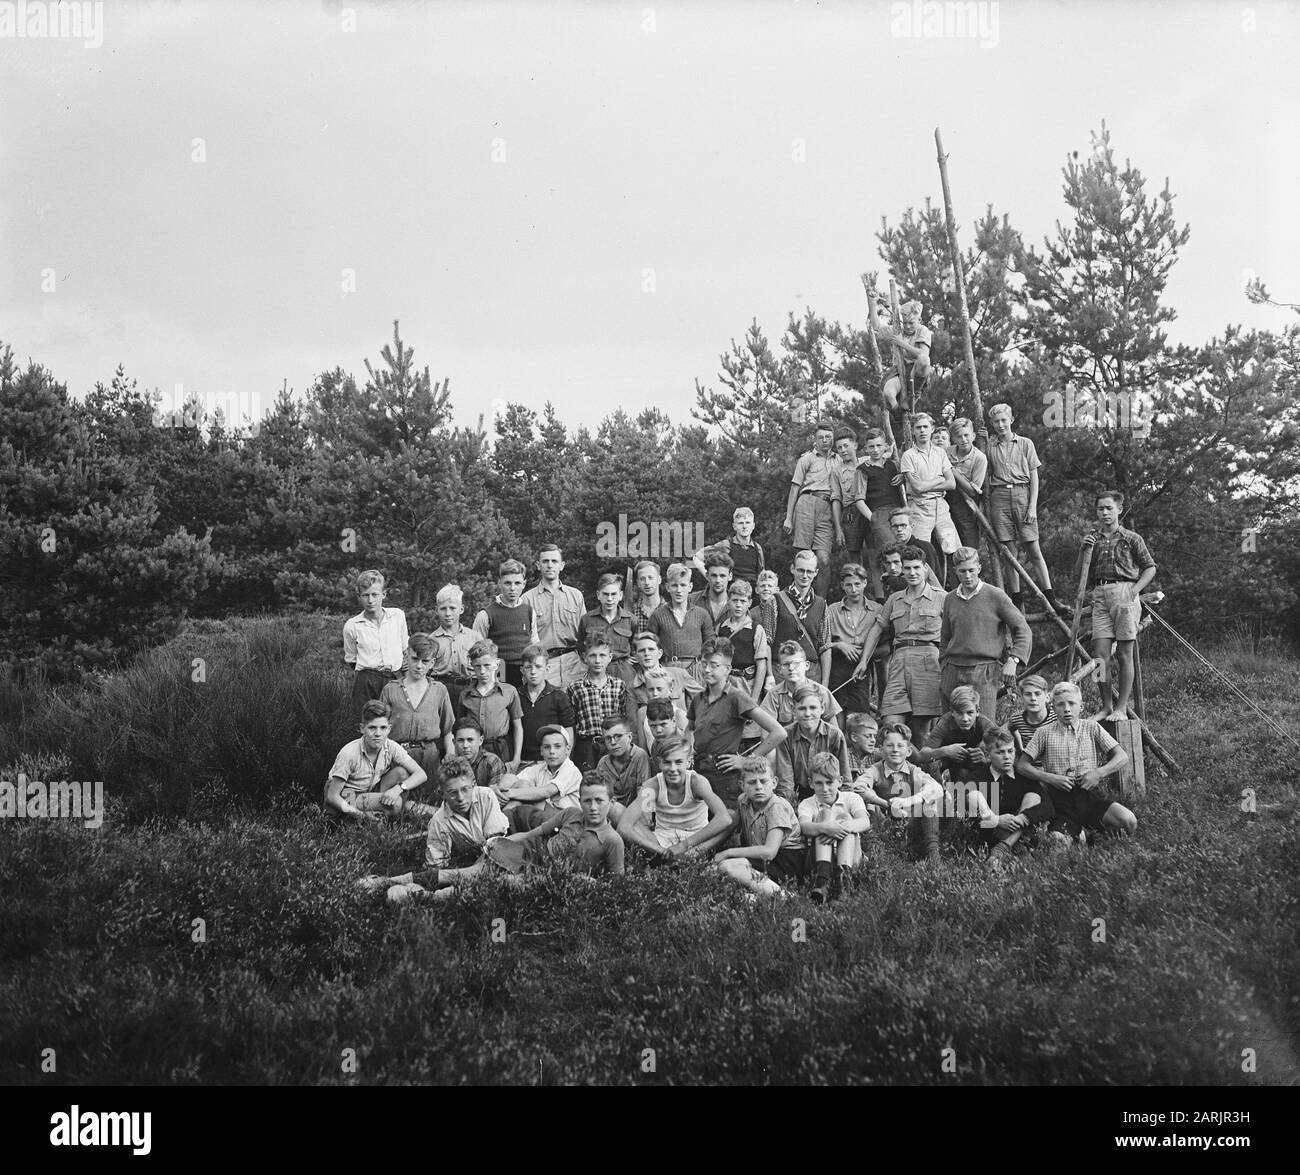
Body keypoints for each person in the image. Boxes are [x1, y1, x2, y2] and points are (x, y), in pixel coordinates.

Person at [361, 772, 624, 904]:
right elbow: (532, 834)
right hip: (529, 857)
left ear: (610, 802)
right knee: (466, 872)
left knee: (497, 884)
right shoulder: (571, 814)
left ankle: (421, 897)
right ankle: (386, 881)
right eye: (587, 799)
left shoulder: (612, 840)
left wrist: (588, 882)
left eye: (599, 801)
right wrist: (498, 845)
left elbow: (617, 884)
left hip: (549, 879)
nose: (592, 806)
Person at [1017, 682, 1138, 843]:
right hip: (1060, 800)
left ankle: (1092, 835)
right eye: (1060, 704)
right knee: (1056, 842)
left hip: (1090, 796)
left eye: (1072, 703)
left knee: (1128, 821)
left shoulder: (1091, 727)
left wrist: (1098, 773)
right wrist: (1051, 778)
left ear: (1081, 706)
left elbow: (1121, 756)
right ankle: (1078, 835)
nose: (1066, 709)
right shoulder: (1043, 733)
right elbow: (1022, 765)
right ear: (1053, 707)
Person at [854, 545, 948, 743]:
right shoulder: (895, 599)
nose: (912, 573)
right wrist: (864, 661)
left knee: (920, 732)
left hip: (928, 663)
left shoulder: (942, 598)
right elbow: (877, 628)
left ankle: (922, 772)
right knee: (890, 726)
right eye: (907, 568)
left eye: (916, 567)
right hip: (898, 662)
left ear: (925, 568)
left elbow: (955, 632)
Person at [982, 403, 1065, 613]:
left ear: (1011, 420)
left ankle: (1050, 597)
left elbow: (1034, 477)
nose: (1000, 425)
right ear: (992, 424)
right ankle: (1017, 601)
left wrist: (1032, 507)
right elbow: (982, 469)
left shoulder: (1025, 443)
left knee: (1033, 549)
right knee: (1009, 552)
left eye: (1003, 420)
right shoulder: (990, 446)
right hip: (999, 496)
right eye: (996, 422)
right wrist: (980, 440)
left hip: (1022, 494)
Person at [687, 637, 787, 806]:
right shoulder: (698, 699)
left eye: (714, 665)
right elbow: (689, 729)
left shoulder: (736, 697)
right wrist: (688, 751)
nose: (707, 670)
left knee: (727, 821)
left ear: (727, 669)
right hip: (698, 772)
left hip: (725, 776)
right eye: (704, 664)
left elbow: (779, 732)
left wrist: (747, 760)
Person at [1084, 491, 1157, 719]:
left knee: (1125, 654)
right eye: (1100, 509)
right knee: (1099, 656)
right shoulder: (1093, 539)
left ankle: (1121, 707)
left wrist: (1134, 591)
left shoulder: (1131, 538)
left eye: (1109, 508)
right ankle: (1105, 705)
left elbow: (1150, 567)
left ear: (1119, 510)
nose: (1104, 513)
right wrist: (1083, 549)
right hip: (1100, 593)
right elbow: (1081, 571)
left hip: (1125, 591)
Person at [938, 547, 1031, 720]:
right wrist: (943, 666)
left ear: (979, 568)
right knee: (950, 727)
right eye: (962, 571)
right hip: (952, 671)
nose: (967, 576)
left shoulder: (995, 595)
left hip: (984, 672)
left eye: (971, 570)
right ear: (955, 571)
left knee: (984, 728)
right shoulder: (950, 598)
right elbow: (945, 637)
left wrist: (1013, 659)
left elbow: (1022, 629)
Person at [617, 734, 734, 860]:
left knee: (732, 815)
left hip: (696, 839)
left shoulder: (697, 782)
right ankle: (665, 858)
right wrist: (660, 850)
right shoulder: (652, 785)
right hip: (661, 840)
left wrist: (684, 845)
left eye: (678, 762)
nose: (673, 769)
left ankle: (696, 854)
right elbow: (624, 827)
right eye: (667, 762)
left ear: (688, 762)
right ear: (660, 763)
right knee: (616, 810)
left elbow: (725, 818)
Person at [712, 757, 806, 899]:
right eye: (751, 782)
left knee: (728, 866)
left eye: (763, 781)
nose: (758, 787)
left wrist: (728, 852)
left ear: (774, 783)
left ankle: (785, 896)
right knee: (719, 868)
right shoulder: (743, 801)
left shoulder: (776, 807)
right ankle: (758, 895)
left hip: (785, 861)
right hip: (761, 859)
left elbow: (769, 852)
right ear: (742, 785)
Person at [851, 721, 944, 864]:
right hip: (884, 823)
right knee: (866, 805)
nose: (895, 750)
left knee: (929, 801)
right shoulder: (876, 770)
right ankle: (876, 850)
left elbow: (936, 789)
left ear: (908, 751)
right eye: (889, 746)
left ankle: (933, 854)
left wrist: (907, 802)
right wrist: (886, 804)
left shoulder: (913, 770)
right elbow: (858, 787)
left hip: (910, 823)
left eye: (900, 746)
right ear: (881, 750)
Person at [324, 699, 431, 821]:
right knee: (395, 803)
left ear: (389, 729)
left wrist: (398, 789)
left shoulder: (390, 746)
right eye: (372, 728)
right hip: (346, 795)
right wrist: (361, 816)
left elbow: (421, 774)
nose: (378, 734)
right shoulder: (349, 753)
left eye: (383, 728)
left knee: (402, 773)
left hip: (368, 790)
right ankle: (369, 819)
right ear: (362, 728)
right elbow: (332, 796)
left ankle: (387, 819)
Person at [967, 725, 1054, 871]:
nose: (1007, 757)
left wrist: (1022, 818)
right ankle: (1016, 850)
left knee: (1033, 797)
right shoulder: (978, 777)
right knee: (973, 795)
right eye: (1000, 752)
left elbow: (1049, 808)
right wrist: (998, 820)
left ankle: (1005, 847)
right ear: (988, 755)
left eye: (1010, 751)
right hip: (993, 830)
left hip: (1022, 827)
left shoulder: (1024, 777)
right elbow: (966, 806)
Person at [379, 633, 456, 792]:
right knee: (397, 803)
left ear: (432, 663)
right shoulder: (390, 690)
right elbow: (380, 728)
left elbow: (448, 730)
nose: (419, 665)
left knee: (429, 805)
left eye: (425, 661)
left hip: (429, 757)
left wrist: (450, 753)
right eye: (415, 659)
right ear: (406, 657)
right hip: (398, 756)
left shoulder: (439, 690)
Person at [797, 753, 870, 903]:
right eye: (819, 783)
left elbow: (864, 822)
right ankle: (822, 879)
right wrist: (826, 828)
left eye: (829, 782)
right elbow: (804, 827)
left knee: (845, 818)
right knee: (823, 815)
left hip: (851, 856)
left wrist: (840, 828)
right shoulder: (807, 803)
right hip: (817, 859)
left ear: (840, 781)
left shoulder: (851, 798)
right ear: (811, 783)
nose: (824, 789)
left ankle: (842, 881)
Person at [899, 412, 959, 580]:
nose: (922, 431)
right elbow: (917, 488)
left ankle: (951, 593)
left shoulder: (940, 453)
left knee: (952, 549)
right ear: (913, 431)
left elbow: (951, 483)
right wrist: (938, 480)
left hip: (940, 506)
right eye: (918, 428)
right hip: (919, 507)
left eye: (926, 427)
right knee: (920, 552)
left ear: (932, 429)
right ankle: (926, 590)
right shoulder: (909, 455)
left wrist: (927, 484)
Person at [783, 420, 840, 595]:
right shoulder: (806, 458)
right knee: (804, 558)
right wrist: (788, 517)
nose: (825, 440)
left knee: (823, 559)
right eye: (821, 437)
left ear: (833, 439)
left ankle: (820, 604)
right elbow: (794, 488)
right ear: (815, 440)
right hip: (807, 503)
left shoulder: (838, 459)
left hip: (827, 507)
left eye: (828, 437)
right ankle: (800, 599)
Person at [773, 683, 852, 803]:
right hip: (799, 794)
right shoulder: (786, 736)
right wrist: (790, 807)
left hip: (829, 793)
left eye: (813, 708)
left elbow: (845, 779)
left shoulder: (835, 735)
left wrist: (845, 804)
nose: (807, 714)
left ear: (822, 709)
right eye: (802, 708)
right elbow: (786, 782)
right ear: (794, 710)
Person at [495, 724, 583, 832]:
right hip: (544, 818)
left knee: (522, 791)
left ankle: (498, 826)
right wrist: (496, 790)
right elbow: (511, 781)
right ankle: (499, 824)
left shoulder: (571, 770)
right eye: (547, 747)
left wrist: (508, 793)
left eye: (557, 746)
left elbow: (546, 792)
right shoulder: (539, 769)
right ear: (541, 750)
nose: (552, 751)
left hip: (566, 820)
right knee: (510, 778)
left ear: (567, 749)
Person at [342, 569, 409, 712]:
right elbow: (351, 659)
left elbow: (405, 648)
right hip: (366, 682)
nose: (370, 600)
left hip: (395, 678)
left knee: (396, 720)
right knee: (366, 722)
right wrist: (370, 674)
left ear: (383, 594)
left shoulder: (397, 616)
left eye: (374, 594)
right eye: (365, 595)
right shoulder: (352, 625)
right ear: (359, 596)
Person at [522, 544, 587, 689]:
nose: (550, 565)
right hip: (543, 664)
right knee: (545, 708)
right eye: (545, 561)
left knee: (573, 708)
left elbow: (584, 633)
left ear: (562, 565)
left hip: (574, 663)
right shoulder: (527, 599)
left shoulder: (575, 596)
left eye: (554, 561)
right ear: (538, 565)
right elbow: (524, 640)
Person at [825, 562, 883, 720]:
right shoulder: (832, 610)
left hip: (862, 668)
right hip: (836, 667)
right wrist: (840, 645)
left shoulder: (877, 610)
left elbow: (886, 647)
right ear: (842, 585)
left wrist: (865, 656)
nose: (854, 589)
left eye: (857, 584)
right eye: (849, 585)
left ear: (865, 583)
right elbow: (820, 644)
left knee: (857, 720)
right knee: (836, 719)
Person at [567, 634, 633, 772]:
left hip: (613, 743)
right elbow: (571, 724)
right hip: (586, 746)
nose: (597, 660)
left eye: (602, 655)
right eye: (592, 655)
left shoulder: (618, 685)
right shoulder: (575, 687)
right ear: (584, 657)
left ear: (610, 657)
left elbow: (623, 717)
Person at [472, 559, 538, 689]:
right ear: (499, 583)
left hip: (524, 673)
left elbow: (534, 646)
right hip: (498, 673)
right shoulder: (486, 615)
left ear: (524, 584)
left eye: (517, 583)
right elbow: (477, 652)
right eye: (508, 583)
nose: (513, 588)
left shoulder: (529, 612)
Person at [458, 640, 524, 770]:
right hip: (474, 751)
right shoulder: (465, 695)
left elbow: (518, 727)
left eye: (487, 665)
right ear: (472, 666)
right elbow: (460, 729)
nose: (482, 671)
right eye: (477, 666)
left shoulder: (509, 692)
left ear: (497, 664)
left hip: (501, 750)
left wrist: (516, 758)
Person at [858, 428, 905, 602]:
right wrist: (873, 519)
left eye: (879, 445)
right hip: (878, 514)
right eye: (871, 446)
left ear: (885, 446)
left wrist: (902, 477)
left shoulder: (892, 465)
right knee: (890, 550)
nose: (875, 450)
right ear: (866, 448)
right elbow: (859, 500)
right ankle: (888, 592)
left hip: (897, 513)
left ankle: (903, 588)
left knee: (904, 548)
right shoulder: (863, 469)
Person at [916, 685, 997, 783]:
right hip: (949, 761)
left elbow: (1006, 753)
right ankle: (938, 792)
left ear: (977, 711)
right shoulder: (945, 723)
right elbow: (921, 756)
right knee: (930, 765)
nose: (965, 719)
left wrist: (987, 760)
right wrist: (944, 751)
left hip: (974, 764)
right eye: (959, 713)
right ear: (952, 712)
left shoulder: (986, 724)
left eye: (970, 713)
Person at [771, 550, 830, 683]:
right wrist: (769, 676)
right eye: (800, 570)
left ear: (816, 573)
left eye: (809, 572)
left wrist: (825, 683)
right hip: (781, 671)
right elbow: (766, 643)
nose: (804, 575)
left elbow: (825, 647)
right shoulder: (776, 600)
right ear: (793, 569)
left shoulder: (821, 605)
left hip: (811, 672)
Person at [647, 563, 714, 678]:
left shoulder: (701, 614)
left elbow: (710, 643)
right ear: (667, 587)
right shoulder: (658, 615)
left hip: (696, 669)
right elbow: (649, 644)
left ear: (690, 587)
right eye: (674, 585)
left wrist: (703, 667)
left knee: (696, 696)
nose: (679, 590)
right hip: (668, 669)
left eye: (683, 585)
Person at [517, 645, 576, 764]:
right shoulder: (516, 695)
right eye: (528, 667)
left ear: (547, 668)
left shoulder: (559, 696)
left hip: (551, 761)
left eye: (538, 667)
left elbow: (568, 731)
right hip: (523, 761)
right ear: (522, 670)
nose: (533, 672)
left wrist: (565, 760)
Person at [588, 715, 652, 822]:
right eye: (608, 738)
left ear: (630, 737)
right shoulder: (603, 763)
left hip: (636, 815)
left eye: (618, 736)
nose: (613, 742)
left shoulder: (640, 756)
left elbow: (644, 794)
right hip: (610, 815)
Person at [762, 641, 842, 727]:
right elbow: (767, 733)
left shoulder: (821, 692)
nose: (791, 668)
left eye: (796, 663)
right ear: (779, 669)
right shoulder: (773, 695)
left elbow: (833, 731)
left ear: (806, 665)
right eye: (786, 664)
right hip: (786, 740)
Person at [716, 578, 770, 707]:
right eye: (735, 600)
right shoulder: (721, 628)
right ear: (729, 602)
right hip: (726, 682)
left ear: (749, 603)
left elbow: (761, 667)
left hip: (747, 683)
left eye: (743, 601)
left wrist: (754, 699)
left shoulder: (756, 629)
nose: (738, 605)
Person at [577, 573, 637, 686]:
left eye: (613, 594)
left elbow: (636, 647)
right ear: (598, 595)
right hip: (596, 671)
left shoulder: (630, 620)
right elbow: (581, 647)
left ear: (620, 595)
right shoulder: (587, 620)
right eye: (605, 594)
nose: (609, 599)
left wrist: (627, 662)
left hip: (623, 672)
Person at [877, 299, 933, 415]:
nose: (907, 326)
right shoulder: (898, 331)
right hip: (899, 371)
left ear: (919, 320)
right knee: (888, 393)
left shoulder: (923, 331)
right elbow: (877, 328)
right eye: (905, 323)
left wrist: (902, 344)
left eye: (911, 323)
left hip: (915, 371)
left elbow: (923, 354)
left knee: (924, 360)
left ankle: (914, 393)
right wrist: (873, 304)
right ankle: (898, 413)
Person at [944, 417, 989, 563]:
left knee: (969, 548)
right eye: (959, 436)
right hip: (945, 503)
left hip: (967, 506)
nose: (963, 439)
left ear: (973, 436)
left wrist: (953, 471)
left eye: (966, 435)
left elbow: (972, 491)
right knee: (949, 547)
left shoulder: (979, 458)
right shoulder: (945, 452)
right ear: (953, 439)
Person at [692, 506, 765, 589]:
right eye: (740, 523)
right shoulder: (726, 545)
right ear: (734, 526)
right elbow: (697, 557)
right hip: (731, 595)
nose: (744, 526)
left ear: (753, 526)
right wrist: (709, 577)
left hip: (752, 596)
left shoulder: (757, 548)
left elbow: (762, 575)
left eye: (747, 522)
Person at [428, 584, 478, 696]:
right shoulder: (431, 640)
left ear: (461, 609)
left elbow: (487, 663)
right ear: (436, 610)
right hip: (440, 690)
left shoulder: (474, 637)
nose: (448, 614)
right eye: (443, 609)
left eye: (452, 608)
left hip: (469, 689)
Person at [885, 509, 942, 585]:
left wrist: (890, 579)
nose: (899, 529)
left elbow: (930, 577)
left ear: (912, 526)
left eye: (903, 525)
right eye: (895, 526)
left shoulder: (924, 547)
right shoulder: (892, 550)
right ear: (890, 529)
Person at [452, 716, 506, 791]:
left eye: (470, 740)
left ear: (480, 740)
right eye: (460, 740)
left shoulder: (492, 761)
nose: (465, 745)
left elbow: (494, 797)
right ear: (454, 742)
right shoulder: (451, 764)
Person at [1008, 674, 1053, 752]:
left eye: (1038, 694)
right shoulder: (1016, 720)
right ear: (1022, 698)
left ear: (1047, 697)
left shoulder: (1057, 718)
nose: (1033, 698)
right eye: (1028, 694)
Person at [689, 551, 735, 627]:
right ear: (707, 575)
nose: (718, 580)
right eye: (714, 575)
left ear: (730, 576)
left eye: (722, 576)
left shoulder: (738, 604)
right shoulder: (691, 601)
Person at [629, 560, 666, 634]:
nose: (647, 583)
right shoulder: (631, 611)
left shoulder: (670, 611)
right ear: (638, 583)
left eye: (650, 578)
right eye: (642, 579)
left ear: (659, 580)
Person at [845, 712, 881, 781]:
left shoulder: (878, 755)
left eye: (875, 736)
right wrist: (849, 772)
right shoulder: (844, 755)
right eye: (868, 736)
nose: (873, 740)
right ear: (854, 737)